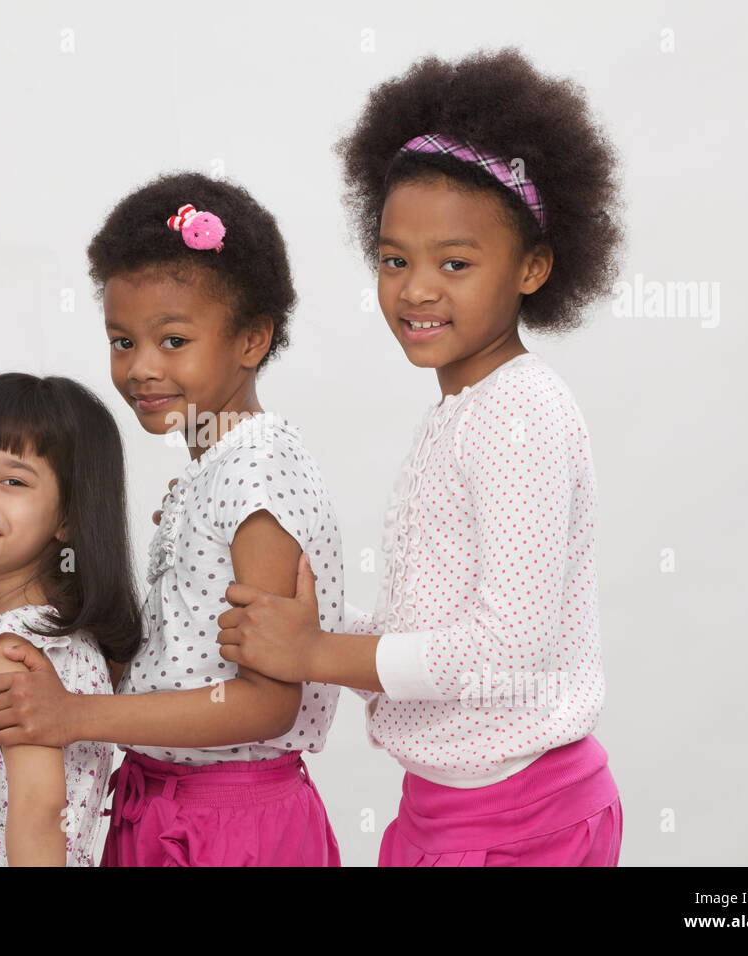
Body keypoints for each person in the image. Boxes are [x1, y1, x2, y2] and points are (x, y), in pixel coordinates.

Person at [216, 48, 626, 866]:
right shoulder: (464, 410)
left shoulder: (519, 413)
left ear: (534, 267)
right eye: (394, 259)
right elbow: (434, 635)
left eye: (455, 263)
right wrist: (312, 627)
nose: (416, 289)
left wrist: (318, 653)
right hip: (444, 808)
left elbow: (505, 650)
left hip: (521, 820)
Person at [0, 172, 344, 866]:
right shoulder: (213, 470)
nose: (142, 368)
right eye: (123, 341)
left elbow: (267, 701)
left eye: (173, 341)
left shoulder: (258, 474)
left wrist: (76, 715)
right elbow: (178, 657)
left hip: (230, 824)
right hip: (161, 801)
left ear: (252, 339)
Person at [0, 373, 142, 865]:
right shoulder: (48, 636)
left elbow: (41, 814)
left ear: (69, 516)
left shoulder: (16, 653)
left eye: (12, 481)